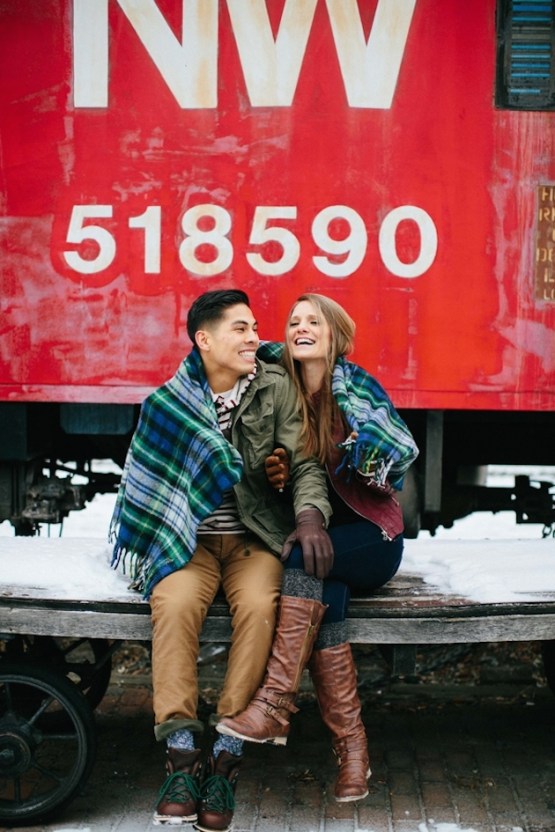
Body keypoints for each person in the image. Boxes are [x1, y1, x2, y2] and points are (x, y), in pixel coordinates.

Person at [109, 289, 332, 831]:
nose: (255, 336)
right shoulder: (167, 403)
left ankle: (227, 754)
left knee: (260, 607)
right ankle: (183, 758)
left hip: (254, 539)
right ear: (204, 340)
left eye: (256, 326)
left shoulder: (275, 387)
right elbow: (147, 487)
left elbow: (303, 462)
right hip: (188, 542)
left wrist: (309, 515)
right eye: (240, 328)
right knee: (175, 602)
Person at [217, 293, 419, 803]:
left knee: (299, 559)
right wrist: (279, 477)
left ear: (335, 337)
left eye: (314, 321)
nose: (300, 327)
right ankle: (354, 757)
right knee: (325, 598)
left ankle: (275, 703)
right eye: (293, 321)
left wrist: (361, 444)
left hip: (372, 538)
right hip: (322, 545)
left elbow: (396, 455)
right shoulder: (276, 391)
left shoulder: (356, 391)